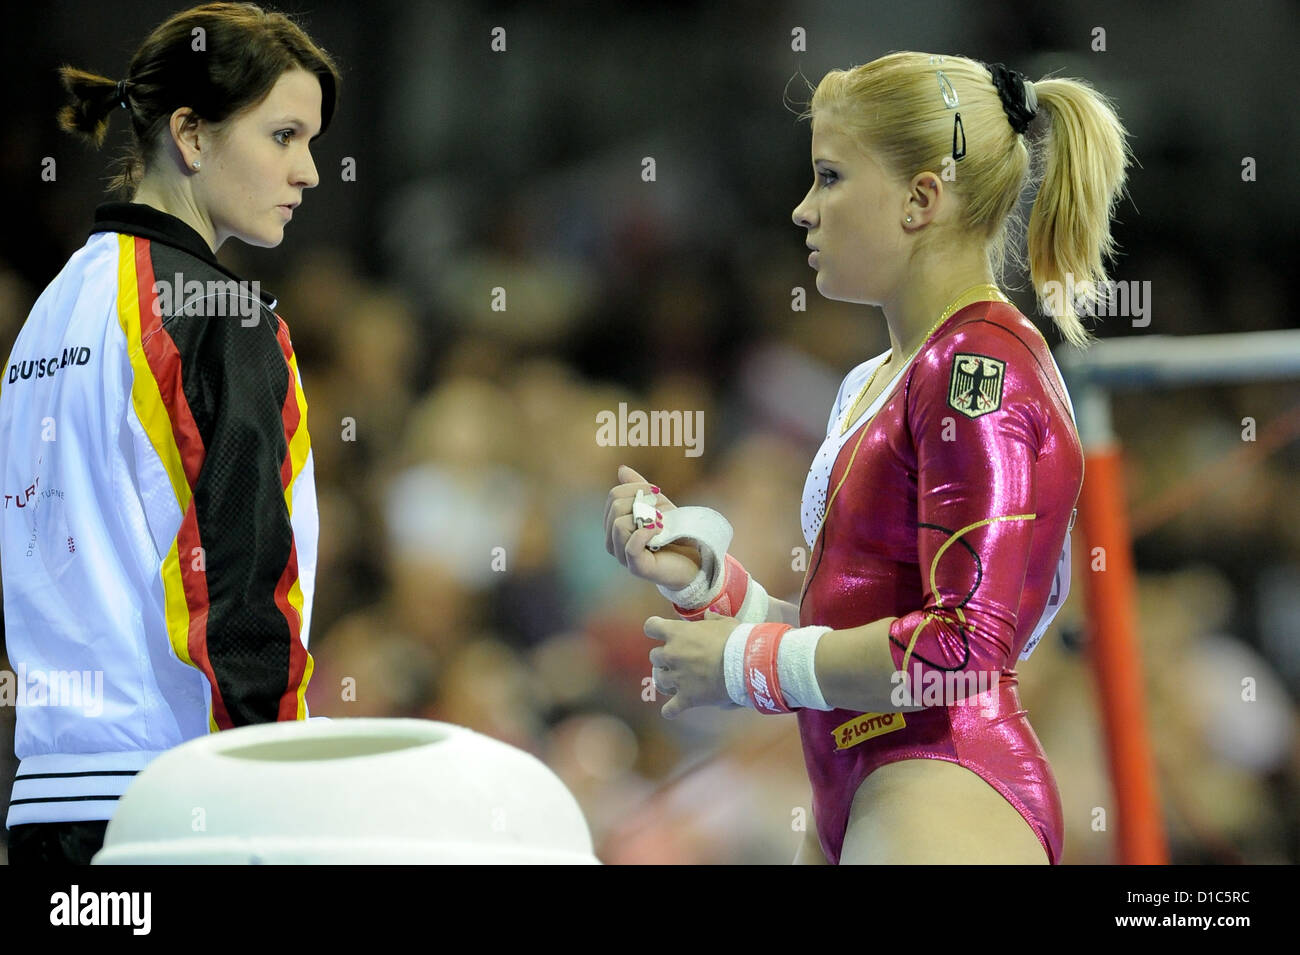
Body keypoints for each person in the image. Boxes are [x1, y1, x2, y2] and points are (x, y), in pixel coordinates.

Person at [604, 52, 1131, 864]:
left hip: (943, 782)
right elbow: (849, 631)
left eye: (829, 177)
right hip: (859, 783)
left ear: (921, 198)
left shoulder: (975, 373)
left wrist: (747, 664)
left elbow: (958, 649)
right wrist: (712, 583)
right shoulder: (879, 377)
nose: (803, 209)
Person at [0, 2, 341, 864]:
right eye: (285, 135)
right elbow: (242, 579)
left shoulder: (47, 316)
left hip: (43, 802)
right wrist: (281, 784)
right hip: (179, 809)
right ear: (190, 134)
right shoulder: (218, 313)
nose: (308, 171)